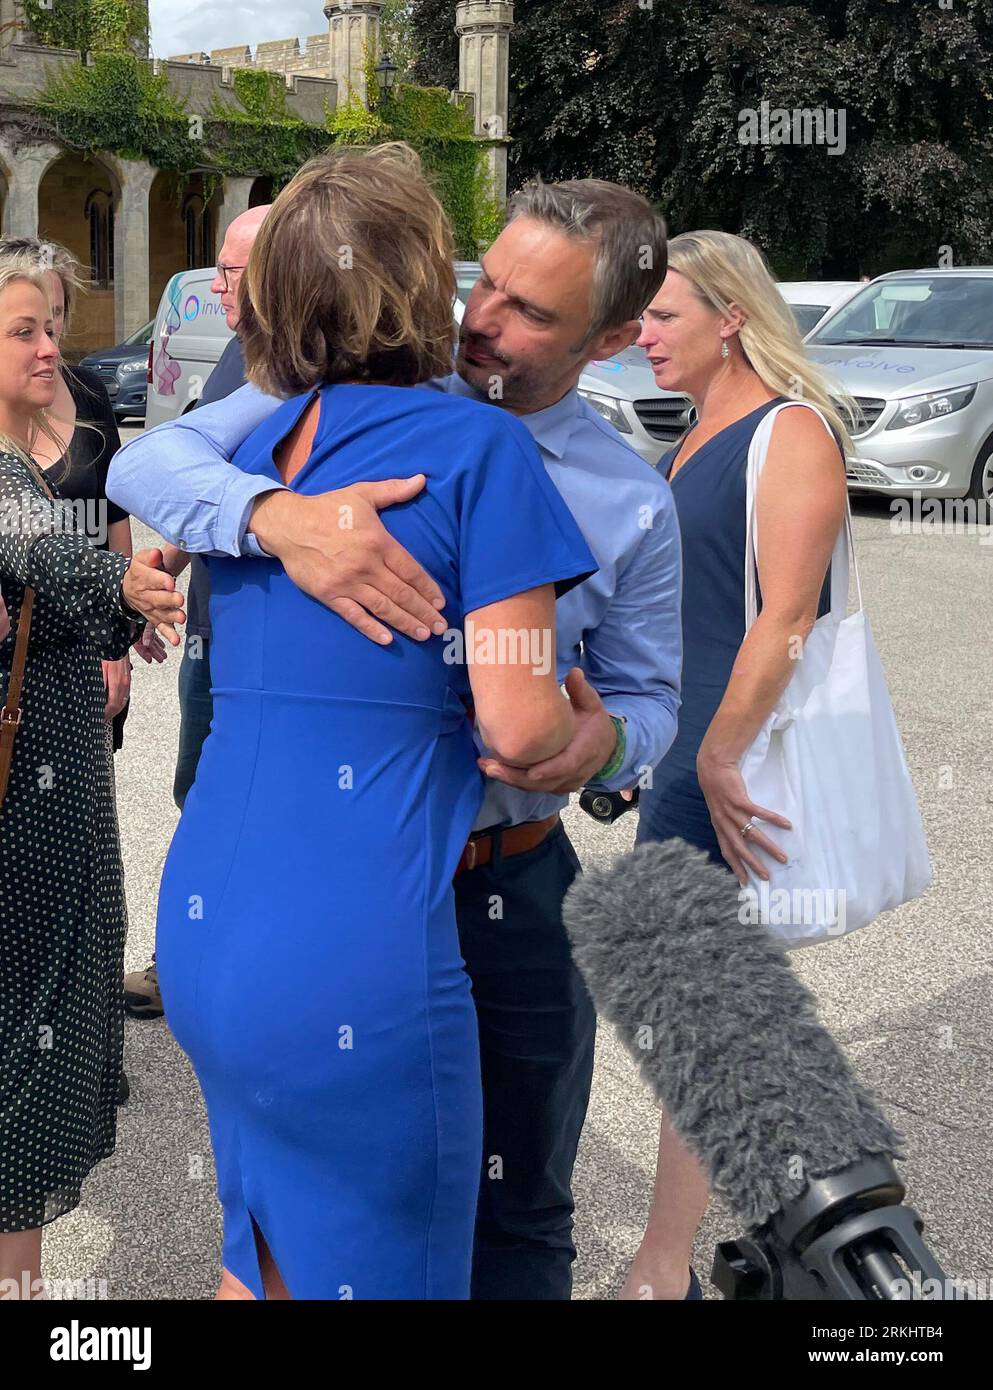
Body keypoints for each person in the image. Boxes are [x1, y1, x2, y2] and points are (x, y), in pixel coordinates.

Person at [109, 175, 683, 1301]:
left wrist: (609, 748)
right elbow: (143, 464)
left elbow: (652, 699)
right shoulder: (406, 437)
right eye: (485, 287)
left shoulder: (625, 497)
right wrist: (287, 524)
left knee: (447, 1223)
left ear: (612, 339)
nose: (484, 324)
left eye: (530, 313)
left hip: (418, 896)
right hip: (366, 930)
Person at [122, 204, 450, 1020]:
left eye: (243, 272)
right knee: (210, 794)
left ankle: (279, 979)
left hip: (344, 648)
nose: (226, 289)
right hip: (221, 633)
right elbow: (163, 465)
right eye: (225, 271)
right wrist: (230, 532)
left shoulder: (358, 384)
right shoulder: (249, 364)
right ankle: (193, 956)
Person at [627, 229, 855, 1299]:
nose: (642, 337)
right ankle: (748, 1224)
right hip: (684, 757)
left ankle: (664, 1265)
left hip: (729, 761)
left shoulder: (790, 430)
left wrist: (717, 754)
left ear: (730, 316)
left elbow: (787, 619)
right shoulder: (693, 431)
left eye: (662, 316)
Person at [0, 253, 184, 1297]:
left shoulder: (72, 430)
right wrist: (127, 581)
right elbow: (51, 552)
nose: (48, 347)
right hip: (24, 784)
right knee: (25, 1021)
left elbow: (86, 577)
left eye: (51, 328)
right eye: (24, 330)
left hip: (61, 763)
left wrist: (128, 593)